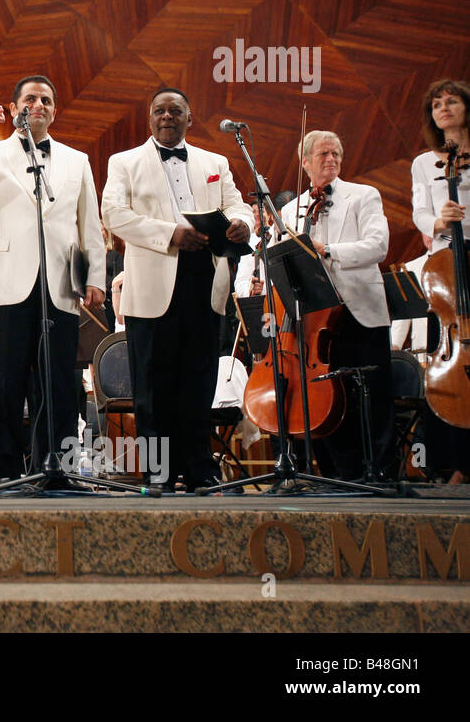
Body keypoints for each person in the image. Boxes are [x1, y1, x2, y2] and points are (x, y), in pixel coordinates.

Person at [0, 74, 107, 481]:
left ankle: (57, 470)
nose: (40, 105)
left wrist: (95, 276)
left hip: (61, 283)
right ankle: (3, 470)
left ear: (54, 110)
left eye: (47, 100)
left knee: (59, 385)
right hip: (5, 284)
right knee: (3, 382)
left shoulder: (76, 160)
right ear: (14, 109)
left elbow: (89, 225)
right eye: (31, 99)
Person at [101, 87, 253, 491]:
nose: (167, 117)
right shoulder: (124, 161)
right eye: (159, 111)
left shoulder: (215, 160)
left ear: (189, 117)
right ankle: (159, 473)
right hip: (152, 282)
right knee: (153, 386)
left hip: (206, 281)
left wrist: (243, 223)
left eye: (176, 111)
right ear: (149, 118)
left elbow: (237, 204)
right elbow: (113, 214)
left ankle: (200, 468)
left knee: (199, 381)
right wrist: (172, 235)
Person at [278, 130, 394, 480]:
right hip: (315, 320)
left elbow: (378, 246)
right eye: (323, 154)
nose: (331, 160)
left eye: (336, 154)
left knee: (371, 395)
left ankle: (381, 474)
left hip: (359, 308)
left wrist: (328, 251)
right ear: (305, 163)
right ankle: (334, 474)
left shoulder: (364, 195)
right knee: (326, 396)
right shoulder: (289, 209)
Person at [411, 77, 470, 484]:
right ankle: (451, 463)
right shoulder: (424, 162)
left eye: (451, 101)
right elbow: (418, 212)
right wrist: (438, 220)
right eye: (436, 104)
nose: (443, 108)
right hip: (445, 265)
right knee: (447, 363)